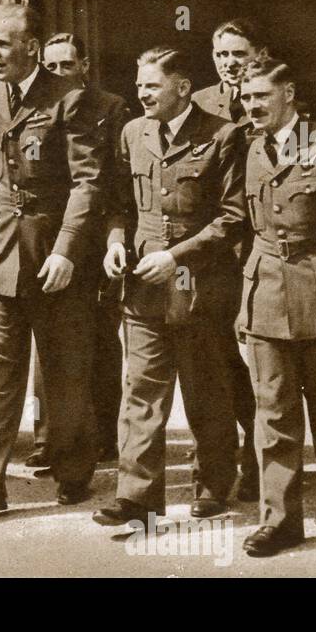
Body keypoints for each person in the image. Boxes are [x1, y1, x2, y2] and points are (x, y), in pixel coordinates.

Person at [183, 57, 316, 556]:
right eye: (246, 97)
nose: (252, 106)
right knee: (273, 413)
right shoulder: (252, 149)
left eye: (261, 96)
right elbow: (249, 231)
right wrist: (243, 306)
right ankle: (280, 520)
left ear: (289, 94)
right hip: (266, 295)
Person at [0, 4, 105, 513]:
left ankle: (73, 470)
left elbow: (87, 183)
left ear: (31, 48)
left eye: (4, 43)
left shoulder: (70, 99)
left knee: (64, 370)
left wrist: (66, 249)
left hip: (53, 256)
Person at [91, 47, 243, 527]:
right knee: (141, 392)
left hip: (199, 287)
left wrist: (176, 256)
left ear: (182, 87)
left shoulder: (222, 135)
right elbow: (119, 204)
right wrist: (115, 242)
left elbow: (232, 218)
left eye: (152, 85)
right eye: (139, 85)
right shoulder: (133, 133)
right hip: (143, 287)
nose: (142, 93)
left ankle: (213, 484)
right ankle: (137, 497)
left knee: (206, 391)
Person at [29, 32, 131, 469]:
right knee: (48, 342)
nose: (58, 74)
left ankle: (104, 431)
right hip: (56, 239)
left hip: (97, 237)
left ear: (84, 66)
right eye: (50, 67)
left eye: (66, 65)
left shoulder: (110, 107)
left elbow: (116, 180)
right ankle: (48, 434)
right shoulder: (38, 108)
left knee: (99, 340)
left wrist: (115, 237)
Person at [192, 18, 264, 500]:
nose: (230, 63)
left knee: (260, 363)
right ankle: (224, 456)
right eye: (221, 54)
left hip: (259, 244)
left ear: (258, 54)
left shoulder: (270, 97)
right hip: (215, 253)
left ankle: (261, 459)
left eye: (239, 53)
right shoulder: (199, 104)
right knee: (218, 362)